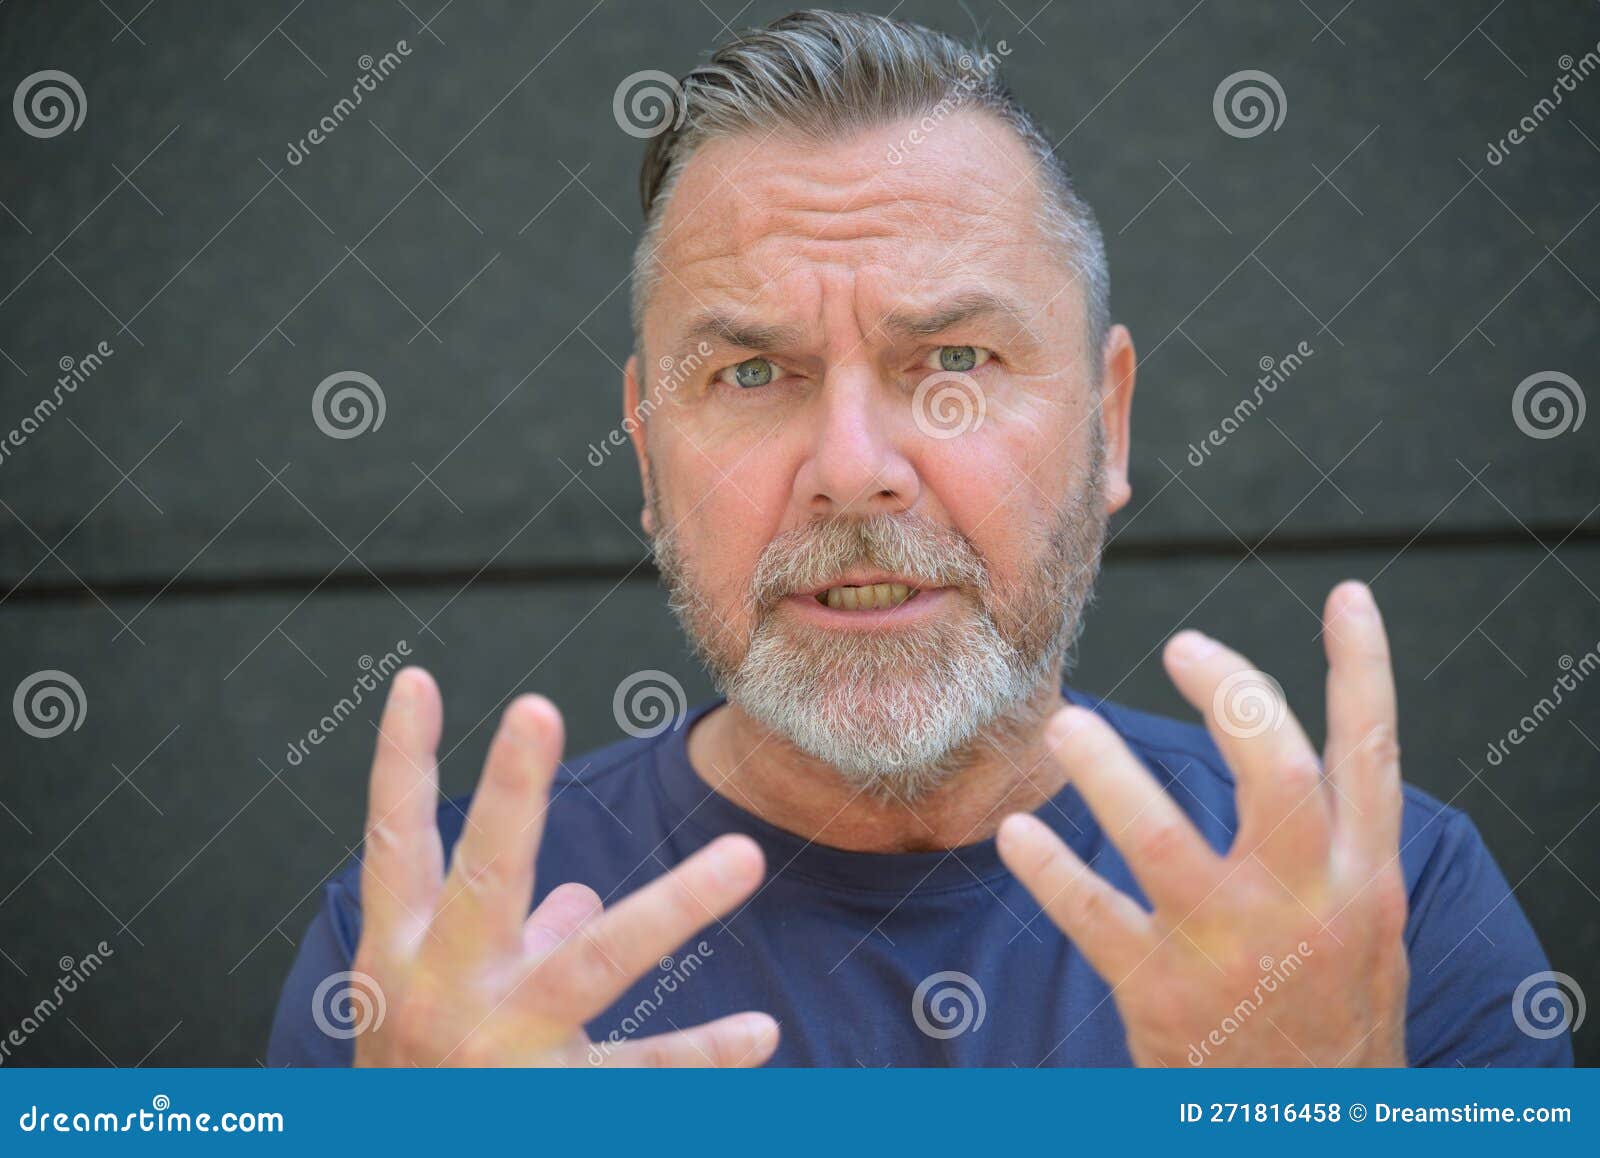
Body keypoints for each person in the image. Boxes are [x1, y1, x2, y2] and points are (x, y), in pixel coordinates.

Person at [268, 10, 1568, 1067]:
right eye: (754, 375)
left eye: (953, 359)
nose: (852, 470)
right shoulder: (430, 956)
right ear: (649, 447)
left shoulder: (1375, 909)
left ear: (1108, 423)